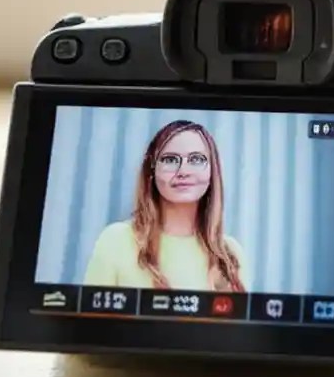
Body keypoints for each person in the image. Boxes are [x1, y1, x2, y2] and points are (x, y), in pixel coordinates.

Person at [83, 119, 249, 292]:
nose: (183, 172)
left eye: (197, 159)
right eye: (170, 159)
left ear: (212, 171)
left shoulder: (231, 253)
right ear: (151, 172)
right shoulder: (116, 240)